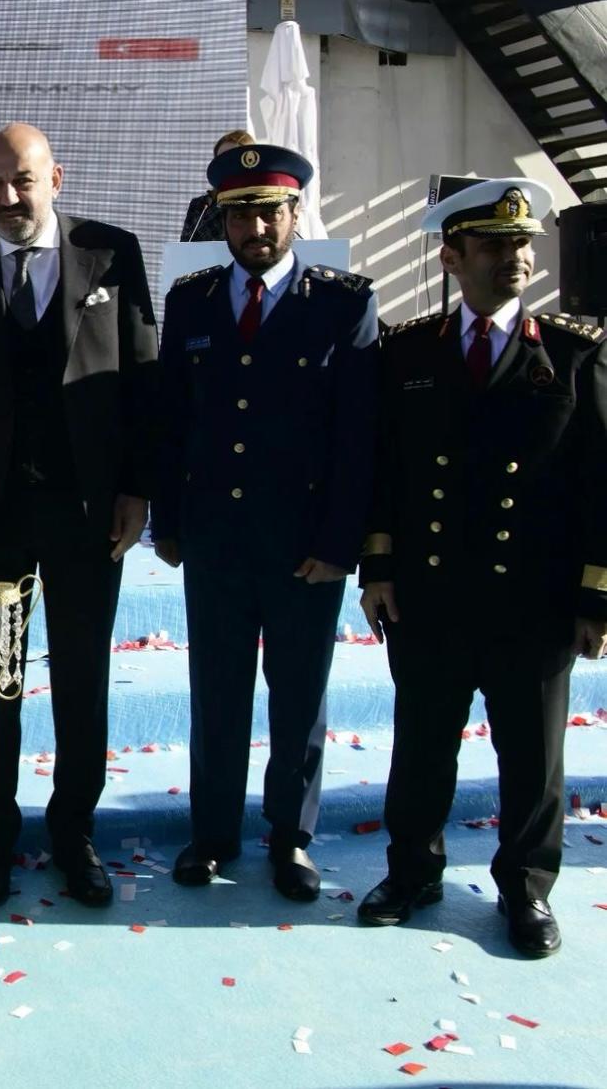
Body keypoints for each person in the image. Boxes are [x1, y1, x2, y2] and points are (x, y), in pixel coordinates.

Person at [357, 176, 607, 957]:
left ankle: (526, 889)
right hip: (432, 591)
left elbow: (603, 479)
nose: (517, 259)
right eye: (496, 246)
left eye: (524, 244)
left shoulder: (570, 352)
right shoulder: (408, 352)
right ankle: (413, 871)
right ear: (452, 256)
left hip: (532, 598)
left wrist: (597, 597)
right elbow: (384, 468)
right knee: (423, 743)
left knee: (532, 757)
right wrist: (379, 568)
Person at [0, 123, 159, 909]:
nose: (8, 198)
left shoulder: (112, 253)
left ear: (57, 175)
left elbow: (141, 380)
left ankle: (74, 831)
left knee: (84, 676)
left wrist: (137, 488)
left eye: (21, 180)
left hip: (88, 510)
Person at [152, 143, 379, 901]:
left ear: (295, 214)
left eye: (268, 210)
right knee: (216, 691)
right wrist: (168, 521)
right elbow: (173, 421)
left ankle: (292, 838)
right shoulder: (192, 299)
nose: (254, 226)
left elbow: (357, 438)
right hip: (216, 535)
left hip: (301, 546)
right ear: (222, 220)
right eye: (239, 212)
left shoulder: (345, 303)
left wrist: (338, 543)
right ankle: (212, 834)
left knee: (298, 696)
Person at [180, 129, 255, 242]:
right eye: (221, 160)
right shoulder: (201, 205)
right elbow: (184, 248)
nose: (226, 165)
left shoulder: (263, 203)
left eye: (232, 159)